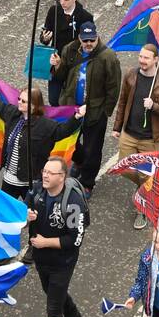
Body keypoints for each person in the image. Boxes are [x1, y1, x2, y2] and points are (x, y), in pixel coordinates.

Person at [112, 43, 159, 225]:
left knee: (146, 176)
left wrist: (155, 106)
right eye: (141, 57)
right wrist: (117, 127)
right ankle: (146, 186)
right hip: (129, 133)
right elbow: (122, 101)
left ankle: (141, 210)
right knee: (124, 168)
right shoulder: (131, 75)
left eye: (146, 58)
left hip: (150, 139)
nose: (141, 61)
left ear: (155, 60)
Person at [0, 74, 83, 198]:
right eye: (19, 98)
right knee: (7, 214)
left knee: (33, 215)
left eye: (23, 101)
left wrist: (76, 117)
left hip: (31, 183)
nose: (19, 102)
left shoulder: (45, 125)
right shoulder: (12, 113)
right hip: (9, 179)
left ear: (34, 105)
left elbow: (63, 131)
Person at [52, 21, 121, 194]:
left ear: (97, 37)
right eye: (85, 40)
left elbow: (113, 88)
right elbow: (60, 77)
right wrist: (57, 65)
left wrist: (105, 111)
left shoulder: (108, 57)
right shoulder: (69, 50)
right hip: (70, 108)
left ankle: (87, 183)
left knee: (93, 148)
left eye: (92, 40)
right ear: (80, 38)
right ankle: (80, 161)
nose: (89, 43)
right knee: (70, 141)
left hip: (95, 112)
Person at [26, 155, 88, 317]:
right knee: (51, 291)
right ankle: (74, 316)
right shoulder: (36, 191)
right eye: (44, 171)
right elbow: (20, 217)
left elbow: (75, 239)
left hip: (63, 261)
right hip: (41, 258)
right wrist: (26, 218)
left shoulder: (73, 202)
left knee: (53, 308)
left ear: (62, 176)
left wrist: (46, 242)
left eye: (51, 173)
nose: (45, 176)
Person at [39, 0, 94, 106]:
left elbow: (90, 44)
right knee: (54, 99)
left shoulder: (85, 17)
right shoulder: (54, 11)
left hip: (74, 64)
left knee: (71, 101)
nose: (62, 2)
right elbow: (45, 35)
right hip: (56, 62)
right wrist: (45, 38)